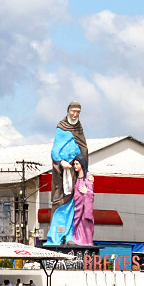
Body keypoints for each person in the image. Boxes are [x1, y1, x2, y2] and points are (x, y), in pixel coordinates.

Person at [47, 101, 87, 245]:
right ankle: (55, 236)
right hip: (61, 172)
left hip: (75, 172)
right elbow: (55, 151)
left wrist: (84, 169)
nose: (75, 114)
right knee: (60, 201)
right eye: (73, 111)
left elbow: (84, 150)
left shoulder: (79, 129)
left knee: (74, 203)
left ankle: (69, 235)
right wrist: (60, 161)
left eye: (78, 112)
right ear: (68, 111)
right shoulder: (61, 128)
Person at [70, 154, 95, 246]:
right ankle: (78, 240)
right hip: (77, 207)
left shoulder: (88, 177)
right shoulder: (76, 178)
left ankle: (88, 242)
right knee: (77, 225)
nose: (75, 166)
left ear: (82, 164)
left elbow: (91, 193)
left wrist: (86, 192)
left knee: (86, 224)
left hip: (85, 208)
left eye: (77, 164)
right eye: (74, 164)